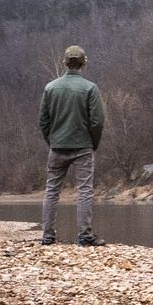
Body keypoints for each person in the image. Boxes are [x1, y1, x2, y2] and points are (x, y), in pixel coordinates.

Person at [39, 45, 106, 247]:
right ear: (84, 63)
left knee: (52, 190)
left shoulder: (50, 88)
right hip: (83, 146)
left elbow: (43, 121)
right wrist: (93, 143)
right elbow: (97, 122)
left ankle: (47, 236)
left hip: (57, 146)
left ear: (64, 63)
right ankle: (85, 236)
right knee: (85, 190)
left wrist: (53, 141)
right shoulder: (90, 88)